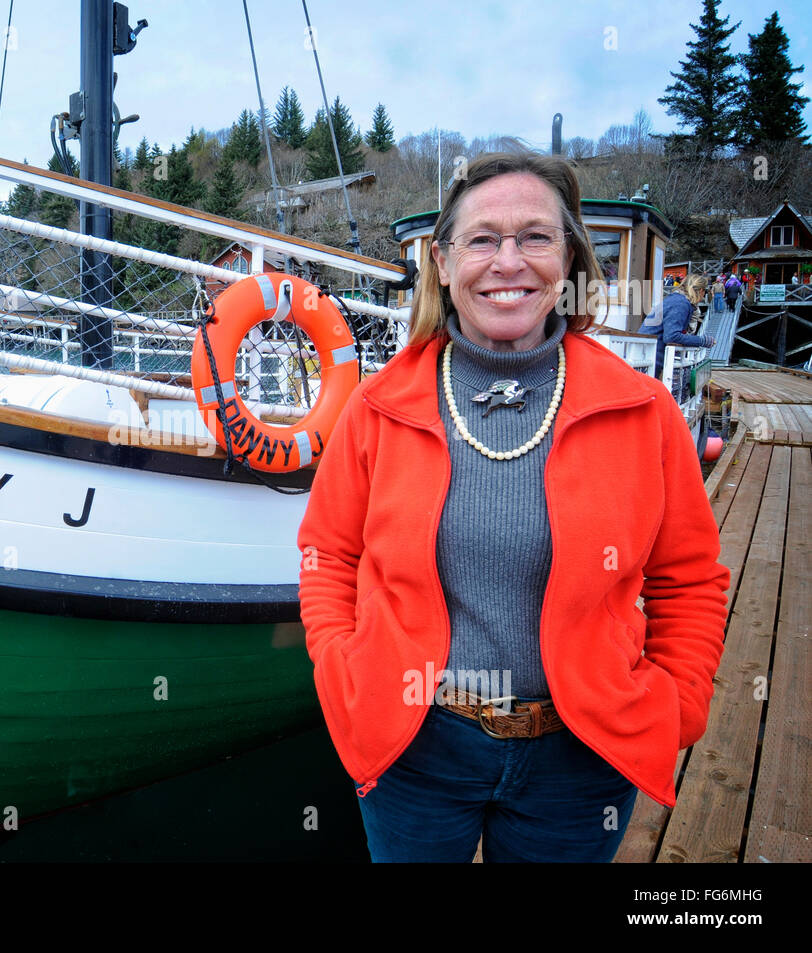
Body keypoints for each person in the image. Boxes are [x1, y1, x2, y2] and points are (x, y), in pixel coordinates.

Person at [297, 152, 729, 863]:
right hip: (415, 744)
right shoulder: (377, 410)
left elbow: (689, 578)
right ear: (442, 262)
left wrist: (678, 702)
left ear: (568, 259)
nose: (509, 261)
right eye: (482, 239)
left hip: (582, 757)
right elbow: (327, 555)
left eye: (535, 237)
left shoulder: (642, 411)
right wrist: (341, 668)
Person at [643, 273, 715, 378]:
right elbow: (671, 336)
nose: (704, 296)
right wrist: (702, 341)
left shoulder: (675, 299)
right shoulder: (680, 304)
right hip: (650, 358)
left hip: (647, 353)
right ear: (700, 291)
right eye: (705, 292)